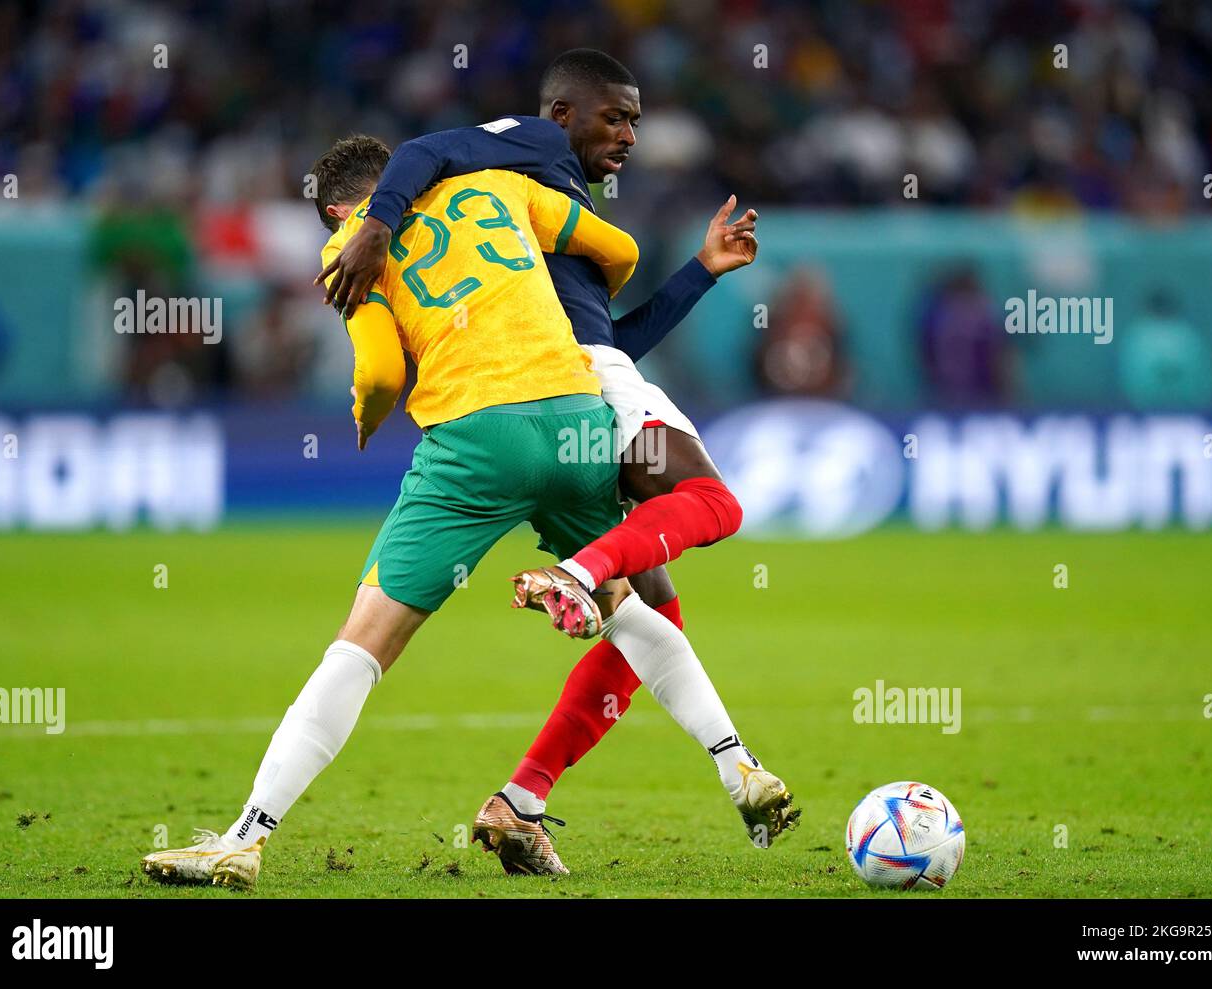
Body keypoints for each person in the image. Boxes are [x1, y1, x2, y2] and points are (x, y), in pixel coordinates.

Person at [141, 135, 791, 887]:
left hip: (475, 438)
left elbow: (382, 371)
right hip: (576, 416)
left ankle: (244, 838)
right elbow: (617, 248)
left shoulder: (351, 249)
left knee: (362, 645)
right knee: (626, 605)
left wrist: (366, 410)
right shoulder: (494, 188)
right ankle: (735, 760)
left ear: (334, 209)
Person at [315, 51, 789, 858]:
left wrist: (702, 273)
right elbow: (422, 151)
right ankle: (583, 586)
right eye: (618, 116)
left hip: (570, 385)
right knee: (708, 509)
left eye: (638, 119)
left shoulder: (551, 209)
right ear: (564, 114)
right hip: (558, 393)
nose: (632, 134)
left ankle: (521, 799)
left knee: (651, 615)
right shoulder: (534, 147)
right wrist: (377, 225)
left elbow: (612, 339)